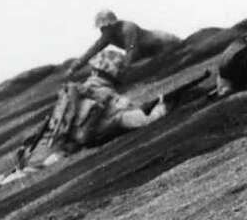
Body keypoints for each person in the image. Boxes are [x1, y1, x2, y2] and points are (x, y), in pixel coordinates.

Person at [18, 46, 165, 169]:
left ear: (95, 70)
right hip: (88, 138)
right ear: (116, 74)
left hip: (64, 144)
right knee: (123, 117)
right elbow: (142, 118)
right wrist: (160, 107)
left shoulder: (76, 91)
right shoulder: (111, 96)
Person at [70, 10, 181, 77]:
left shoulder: (128, 28)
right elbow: (94, 48)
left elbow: (131, 49)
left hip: (163, 42)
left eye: (103, 27)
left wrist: (124, 69)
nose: (102, 30)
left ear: (111, 25)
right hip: (146, 50)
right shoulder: (108, 35)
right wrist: (76, 66)